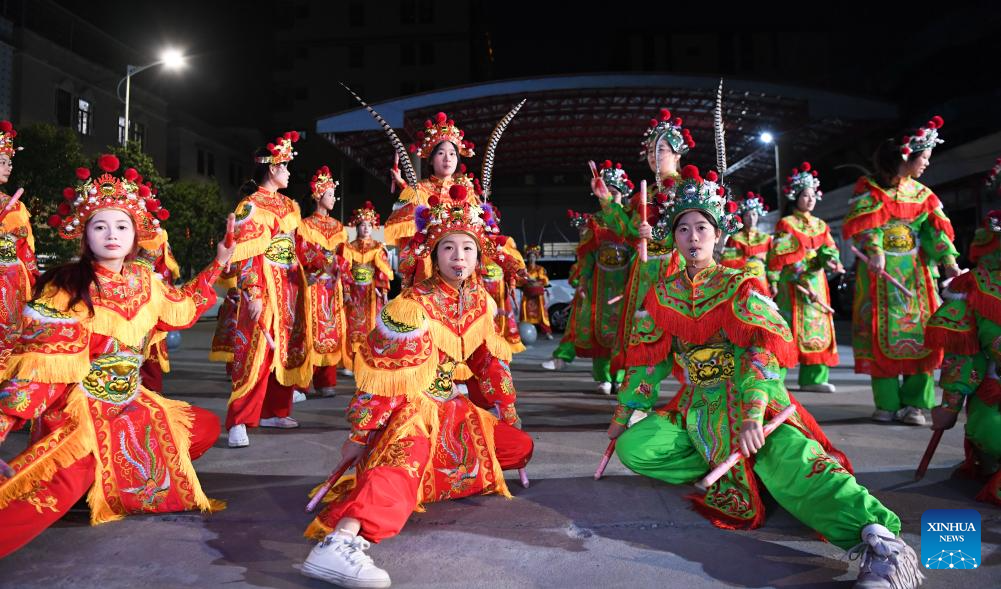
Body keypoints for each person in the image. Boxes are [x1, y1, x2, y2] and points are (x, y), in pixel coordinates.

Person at [611, 164, 923, 589]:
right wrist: (628, 407)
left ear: (718, 235)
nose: (693, 237)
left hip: (750, 400)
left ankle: (878, 541)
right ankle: (749, 472)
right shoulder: (664, 293)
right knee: (636, 446)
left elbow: (762, 351)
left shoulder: (741, 283)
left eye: (702, 227)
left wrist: (754, 414)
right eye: (683, 230)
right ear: (674, 238)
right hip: (697, 407)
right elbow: (650, 360)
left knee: (794, 462)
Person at [0, 153, 234, 557]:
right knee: (46, 486)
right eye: (100, 225)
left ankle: (108, 479)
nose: (112, 234)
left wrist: (219, 264)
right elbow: (39, 370)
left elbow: (182, 308)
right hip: (80, 409)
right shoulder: (66, 287)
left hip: (131, 403)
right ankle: (93, 478)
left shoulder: (146, 281)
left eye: (122, 225)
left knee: (205, 427)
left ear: (135, 235)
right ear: (85, 235)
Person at [299, 192, 533, 588]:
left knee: (518, 447)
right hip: (410, 409)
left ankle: (425, 477)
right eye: (448, 247)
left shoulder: (478, 299)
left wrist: (507, 411)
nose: (458, 257)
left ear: (479, 256)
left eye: (467, 248)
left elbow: (487, 363)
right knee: (404, 462)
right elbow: (383, 380)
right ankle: (340, 542)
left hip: (451, 407)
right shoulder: (411, 305)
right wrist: (358, 436)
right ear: (433, 254)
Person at [844, 116, 960, 425]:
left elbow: (936, 233)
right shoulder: (867, 190)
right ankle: (887, 403)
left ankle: (915, 405)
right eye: (924, 158)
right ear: (907, 157)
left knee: (921, 336)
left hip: (916, 276)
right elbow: (866, 226)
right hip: (879, 277)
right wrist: (875, 250)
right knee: (877, 333)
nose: (926, 165)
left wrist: (949, 262)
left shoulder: (923, 195)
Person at [224, 132, 312, 448]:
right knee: (255, 353)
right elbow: (246, 253)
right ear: (273, 168)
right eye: (285, 166)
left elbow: (298, 246)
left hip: (290, 288)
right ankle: (239, 420)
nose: (289, 172)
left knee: (286, 349)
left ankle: (275, 411)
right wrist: (253, 291)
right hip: (264, 285)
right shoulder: (250, 206)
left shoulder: (290, 205)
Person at [594, 109, 693, 378]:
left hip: (678, 271)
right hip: (645, 272)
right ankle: (641, 396)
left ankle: (700, 398)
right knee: (642, 333)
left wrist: (660, 235)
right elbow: (627, 232)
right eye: (650, 150)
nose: (654, 155)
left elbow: (699, 234)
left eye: (661, 149)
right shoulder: (644, 195)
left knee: (688, 338)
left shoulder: (690, 190)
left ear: (677, 154)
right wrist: (606, 200)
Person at [925, 210, 1001, 505]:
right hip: (994, 392)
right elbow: (965, 357)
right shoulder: (976, 287)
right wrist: (950, 405)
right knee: (991, 429)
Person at [544, 161, 635, 394]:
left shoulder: (631, 219)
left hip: (625, 284)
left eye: (614, 193)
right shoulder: (595, 221)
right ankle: (602, 376)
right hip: (600, 285)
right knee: (599, 332)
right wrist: (583, 280)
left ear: (623, 195)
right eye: (606, 193)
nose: (609, 197)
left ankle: (621, 376)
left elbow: (636, 249)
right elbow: (588, 255)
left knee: (623, 334)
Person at [767, 164, 842, 393]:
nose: (809, 200)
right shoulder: (787, 223)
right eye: (805, 195)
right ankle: (773, 376)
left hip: (817, 282)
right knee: (788, 329)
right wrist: (795, 274)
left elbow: (829, 248)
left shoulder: (821, 225)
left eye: (812, 196)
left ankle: (814, 378)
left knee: (819, 328)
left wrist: (831, 260)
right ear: (796, 197)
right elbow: (781, 253)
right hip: (794, 284)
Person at [386, 112, 479, 284]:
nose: (447, 159)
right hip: (428, 261)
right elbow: (408, 232)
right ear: (431, 160)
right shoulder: (418, 190)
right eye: (441, 153)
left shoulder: (466, 188)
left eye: (452, 154)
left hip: (460, 261)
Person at [297, 165, 349, 398]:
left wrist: (343, 274)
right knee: (309, 330)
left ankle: (326, 379)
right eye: (330, 195)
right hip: (313, 284)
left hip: (332, 286)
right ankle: (303, 381)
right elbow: (302, 251)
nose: (333, 200)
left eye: (334, 195)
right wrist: (321, 262)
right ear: (318, 195)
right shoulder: (305, 225)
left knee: (332, 331)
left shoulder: (338, 227)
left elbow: (344, 255)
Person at [0, 120, 38, 367]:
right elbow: (27, 256)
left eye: (10, 162)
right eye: (3, 162)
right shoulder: (14, 209)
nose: (9, 167)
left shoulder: (14, 207)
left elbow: (26, 255)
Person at [339, 201, 393, 372]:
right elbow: (345, 270)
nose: (366, 228)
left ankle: (371, 360)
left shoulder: (378, 247)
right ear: (356, 227)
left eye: (369, 225)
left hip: (371, 292)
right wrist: (346, 290)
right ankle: (351, 361)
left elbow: (382, 271)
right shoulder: (349, 247)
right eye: (362, 225)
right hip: (354, 291)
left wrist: (383, 290)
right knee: (352, 326)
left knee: (371, 326)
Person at [720, 191, 771, 288]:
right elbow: (729, 262)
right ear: (742, 217)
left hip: (763, 279)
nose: (751, 218)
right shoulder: (735, 238)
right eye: (747, 215)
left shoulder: (766, 238)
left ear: (758, 216)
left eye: (754, 214)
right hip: (743, 280)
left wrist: (773, 282)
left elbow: (772, 263)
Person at [519, 244, 552, 340]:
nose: (531, 258)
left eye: (533, 256)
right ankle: (523, 333)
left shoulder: (540, 269)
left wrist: (534, 280)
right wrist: (525, 280)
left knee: (541, 313)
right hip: (527, 294)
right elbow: (519, 281)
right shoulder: (524, 269)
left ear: (536, 257)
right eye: (530, 256)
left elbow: (545, 280)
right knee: (526, 313)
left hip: (538, 295)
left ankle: (547, 332)